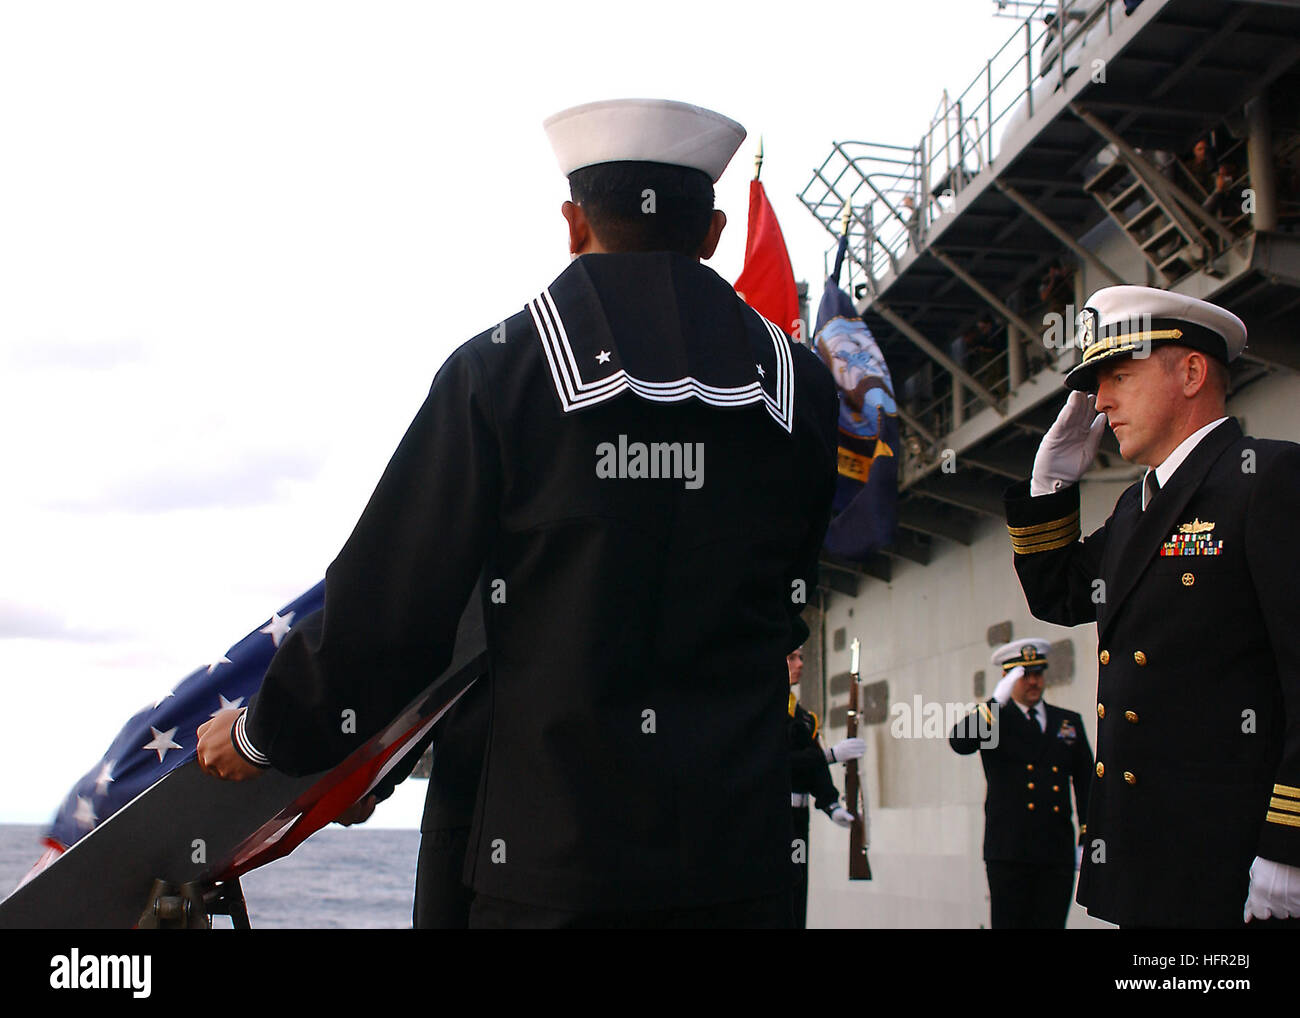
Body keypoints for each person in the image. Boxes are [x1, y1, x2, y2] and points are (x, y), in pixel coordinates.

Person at [196, 98, 840, 929]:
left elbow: (395, 606)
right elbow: (793, 590)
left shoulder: (497, 374)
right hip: (741, 857)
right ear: (713, 234)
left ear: (573, 224)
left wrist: (263, 734)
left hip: (553, 865)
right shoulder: (805, 389)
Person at [1002, 284, 1300, 927]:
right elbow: (1060, 595)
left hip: (1237, 866)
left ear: (1192, 372)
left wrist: (1290, 847)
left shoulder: (1270, 480)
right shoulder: (1138, 507)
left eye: (1119, 376)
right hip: (1149, 864)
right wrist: (1050, 484)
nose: (1101, 401)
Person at [949, 638, 1092, 929]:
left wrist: (1086, 838)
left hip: (1056, 851)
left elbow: (1086, 783)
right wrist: (995, 703)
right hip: (1009, 853)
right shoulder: (993, 722)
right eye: (1024, 675)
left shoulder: (1068, 722)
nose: (1033, 682)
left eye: (1038, 673)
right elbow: (959, 742)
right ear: (1007, 678)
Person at [786, 620, 860, 928]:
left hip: (798, 821)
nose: (801, 663)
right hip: (769, 820)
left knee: (797, 897)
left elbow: (812, 771)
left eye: (801, 656)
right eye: (792, 657)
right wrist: (829, 755)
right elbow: (779, 762)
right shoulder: (761, 715)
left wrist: (830, 803)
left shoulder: (803, 717)